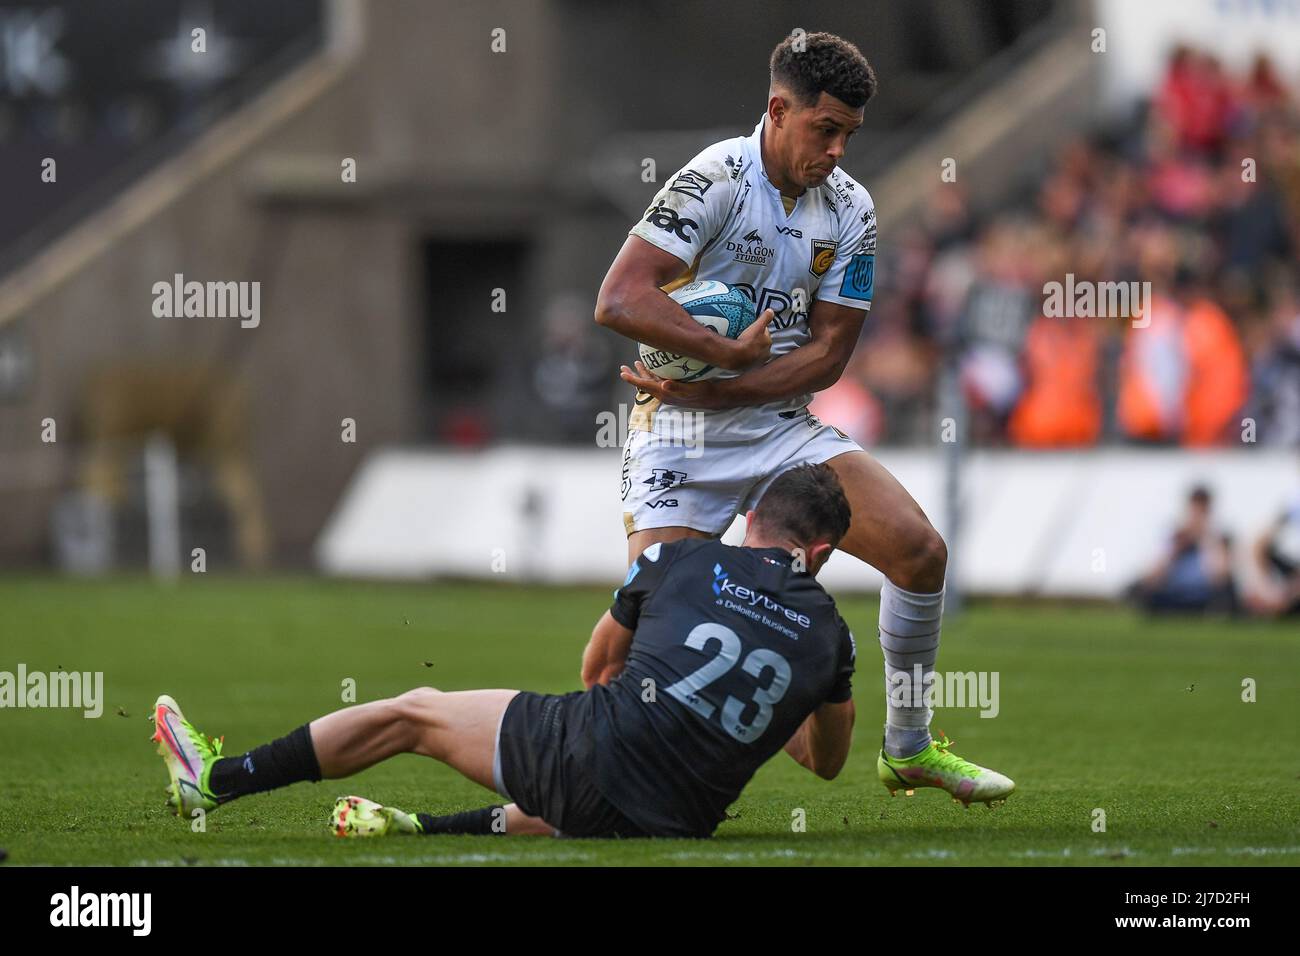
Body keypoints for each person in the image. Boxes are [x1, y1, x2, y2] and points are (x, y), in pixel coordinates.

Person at [153, 465, 1005, 841]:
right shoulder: (831, 638)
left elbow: (598, 669)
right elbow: (825, 765)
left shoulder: (676, 557)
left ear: (754, 521)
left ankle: (216, 782)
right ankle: (419, 829)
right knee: (606, 794)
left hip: (593, 753)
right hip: (680, 817)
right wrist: (758, 718)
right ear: (821, 553)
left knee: (415, 715)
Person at [595, 31, 1013, 797]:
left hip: (779, 425)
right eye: (827, 130)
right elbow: (618, 299)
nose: (839, 150)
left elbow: (828, 355)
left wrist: (729, 385)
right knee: (643, 643)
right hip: (679, 435)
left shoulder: (851, 208)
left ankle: (909, 747)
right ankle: (599, 778)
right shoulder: (714, 178)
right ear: (778, 111)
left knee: (921, 552)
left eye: (850, 134)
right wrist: (716, 354)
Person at [1127, 485, 1235, 614]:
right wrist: (1177, 547)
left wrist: (1206, 539)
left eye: (1202, 511)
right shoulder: (1174, 535)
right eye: (1195, 510)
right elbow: (1153, 575)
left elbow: (1220, 576)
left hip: (1204, 595)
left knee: (1227, 593)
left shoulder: (1219, 537)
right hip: (1173, 592)